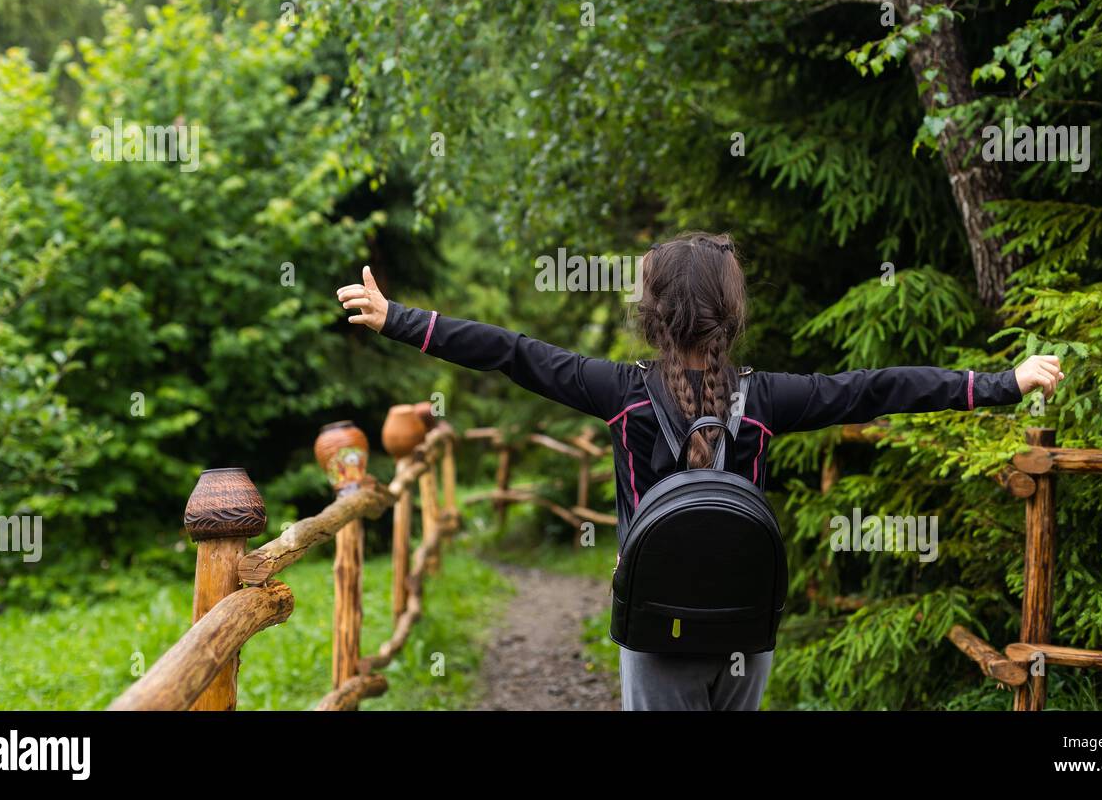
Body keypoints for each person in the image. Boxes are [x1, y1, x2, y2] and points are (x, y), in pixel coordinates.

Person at [336, 231, 1063, 710]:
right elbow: (880, 387)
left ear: (652, 312)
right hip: (750, 625)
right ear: (728, 311)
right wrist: (1005, 381)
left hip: (655, 628)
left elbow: (511, 352)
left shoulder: (617, 390)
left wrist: (398, 316)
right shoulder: (772, 397)